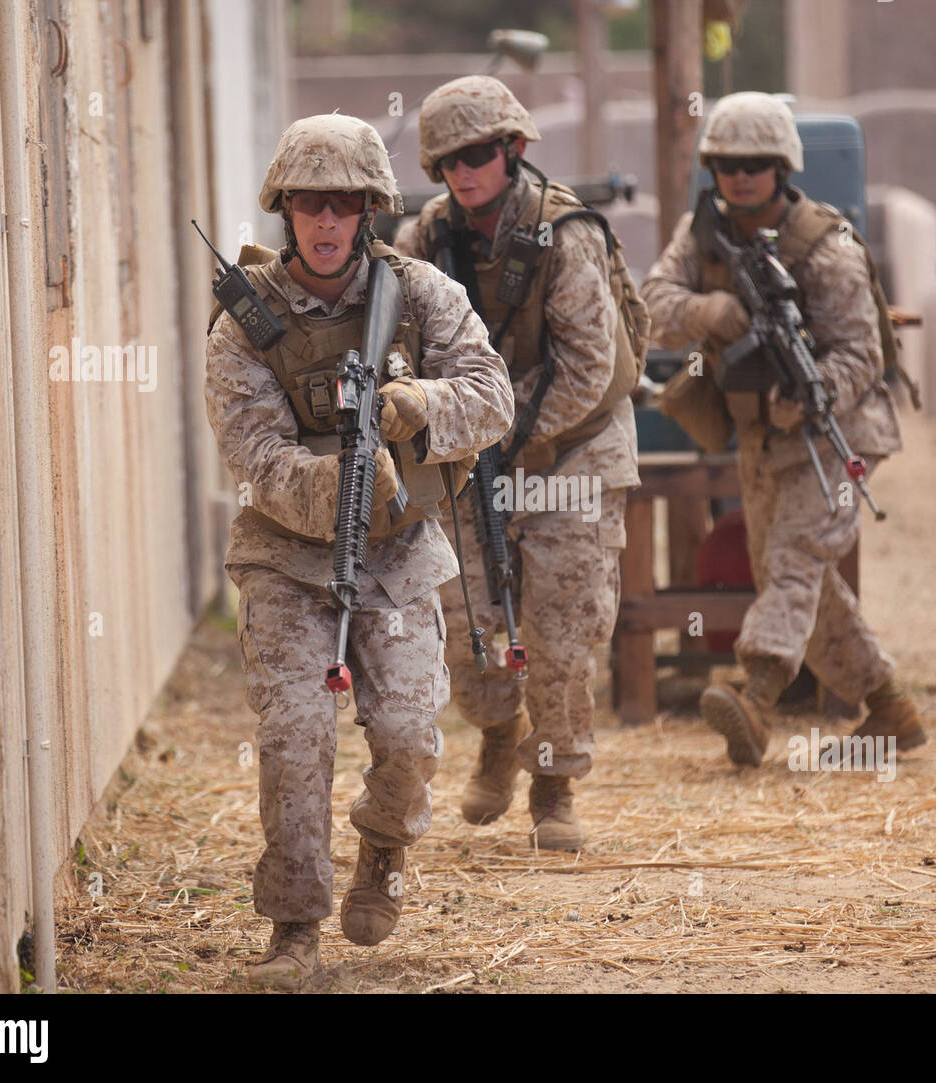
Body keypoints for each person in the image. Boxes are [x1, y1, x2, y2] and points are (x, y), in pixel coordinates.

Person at [204, 113, 512, 989]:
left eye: (344, 204)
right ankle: (293, 929)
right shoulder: (245, 327)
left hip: (402, 551)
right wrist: (350, 479)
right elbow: (258, 459)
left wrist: (422, 405)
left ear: (371, 208)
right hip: (288, 554)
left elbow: (492, 399)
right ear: (285, 211)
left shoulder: (421, 295)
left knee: (411, 734)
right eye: (310, 205)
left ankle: (382, 851)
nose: (327, 222)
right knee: (296, 735)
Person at [394, 75, 642, 850]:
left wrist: (501, 426)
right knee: (471, 615)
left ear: (513, 150)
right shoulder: (426, 240)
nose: (463, 172)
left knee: (561, 624)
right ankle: (500, 733)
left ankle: (555, 780)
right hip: (471, 450)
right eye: (446, 161)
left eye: (477, 154)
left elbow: (589, 367)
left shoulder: (566, 234)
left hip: (571, 446)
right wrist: (431, 409)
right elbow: (398, 340)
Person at [641, 91, 925, 766]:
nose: (742, 176)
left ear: (784, 168)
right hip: (762, 435)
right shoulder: (701, 231)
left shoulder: (827, 248)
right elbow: (651, 303)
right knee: (797, 577)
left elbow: (863, 352)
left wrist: (812, 392)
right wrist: (712, 311)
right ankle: (889, 706)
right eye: (729, 163)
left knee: (795, 555)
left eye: (758, 163)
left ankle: (758, 694)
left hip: (837, 431)